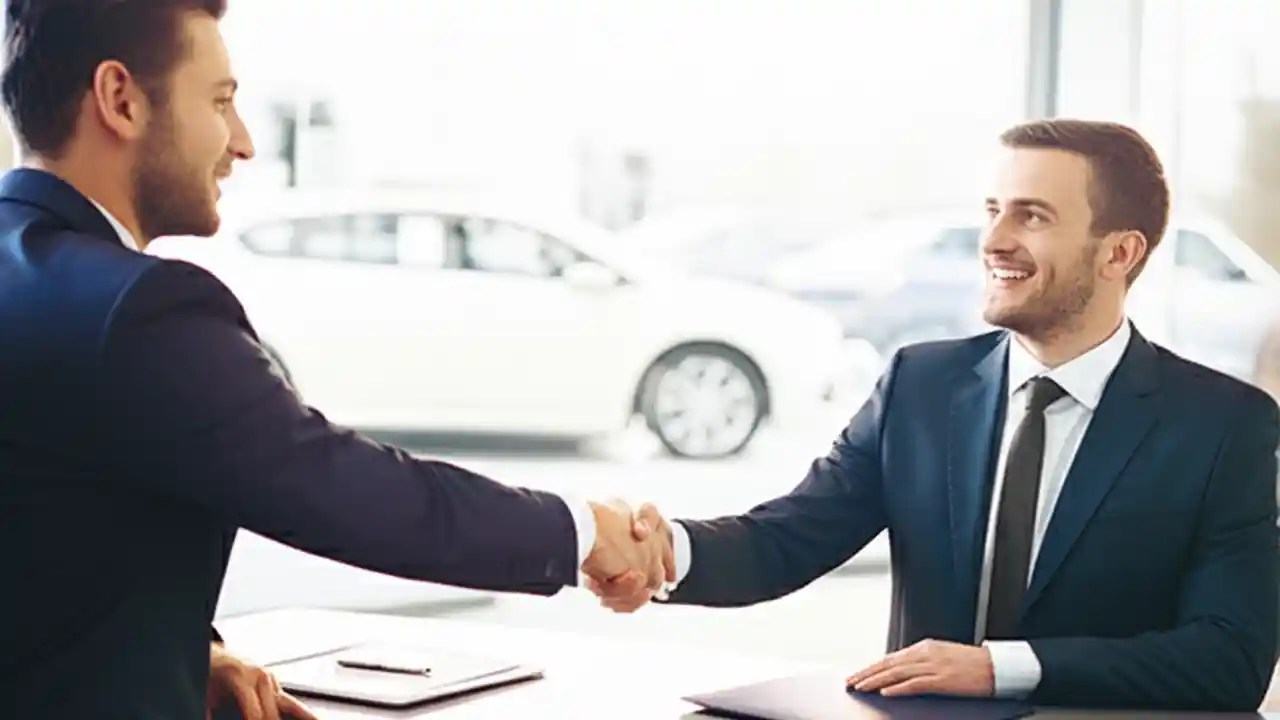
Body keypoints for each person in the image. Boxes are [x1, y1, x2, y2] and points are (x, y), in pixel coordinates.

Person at [0, 2, 670, 718]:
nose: (245, 142)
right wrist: (578, 534)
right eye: (221, 102)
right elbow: (337, 485)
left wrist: (172, 654)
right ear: (120, 99)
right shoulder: (138, 310)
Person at [591, 119, 1280, 711]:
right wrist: (662, 551)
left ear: (1119, 253)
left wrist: (999, 669)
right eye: (992, 210)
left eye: (1031, 216)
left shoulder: (1225, 427)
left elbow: (1229, 660)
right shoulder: (920, 384)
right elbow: (787, 539)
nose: (994, 240)